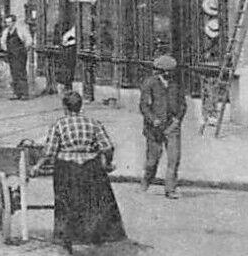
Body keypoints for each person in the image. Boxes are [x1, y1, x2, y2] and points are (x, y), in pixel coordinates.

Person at [43, 91, 127, 252]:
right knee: (95, 200)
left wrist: (38, 165)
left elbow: (49, 152)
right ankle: (97, 236)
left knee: (66, 201)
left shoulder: (58, 125)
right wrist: (107, 163)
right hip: (91, 167)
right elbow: (108, 148)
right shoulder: (93, 123)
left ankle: (67, 236)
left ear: (64, 107)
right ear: (81, 107)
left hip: (67, 169)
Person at [140, 54, 185, 199]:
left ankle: (170, 189)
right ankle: (146, 180)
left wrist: (177, 120)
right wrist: (153, 120)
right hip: (154, 129)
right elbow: (144, 106)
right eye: (167, 71)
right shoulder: (149, 84)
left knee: (174, 159)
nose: (170, 74)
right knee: (152, 161)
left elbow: (183, 105)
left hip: (172, 127)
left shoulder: (176, 84)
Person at [0, 15, 31, 100]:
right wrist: (5, 49)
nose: (8, 24)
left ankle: (25, 94)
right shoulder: (6, 31)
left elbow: (28, 39)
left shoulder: (21, 29)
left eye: (9, 22)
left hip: (20, 54)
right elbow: (3, 41)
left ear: (14, 22)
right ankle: (17, 93)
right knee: (14, 73)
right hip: (11, 54)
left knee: (21, 72)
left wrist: (26, 48)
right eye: (7, 22)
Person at [48, 20, 78, 96]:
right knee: (65, 71)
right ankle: (64, 88)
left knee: (67, 71)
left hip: (69, 53)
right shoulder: (70, 32)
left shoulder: (74, 31)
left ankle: (66, 88)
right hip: (66, 53)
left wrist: (66, 43)